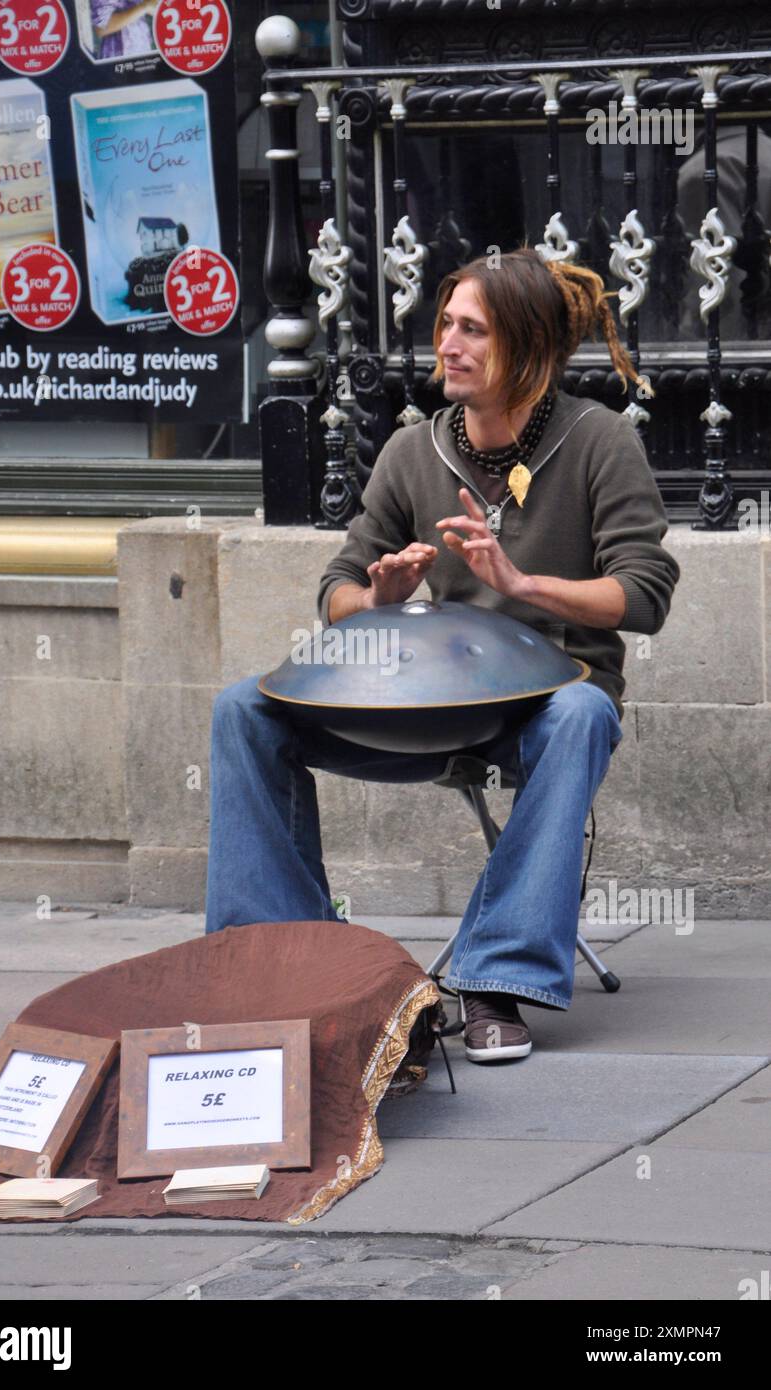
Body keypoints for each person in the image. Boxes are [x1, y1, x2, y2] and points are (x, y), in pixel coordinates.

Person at [206, 246, 680, 1064]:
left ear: (529, 348)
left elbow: (643, 595)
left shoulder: (598, 441)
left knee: (580, 713)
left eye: (474, 331)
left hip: (535, 706)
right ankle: (284, 960)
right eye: (445, 326)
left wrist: (524, 583)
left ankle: (496, 980)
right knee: (242, 708)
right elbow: (335, 591)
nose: (447, 347)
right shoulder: (409, 450)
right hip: (418, 706)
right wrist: (379, 599)